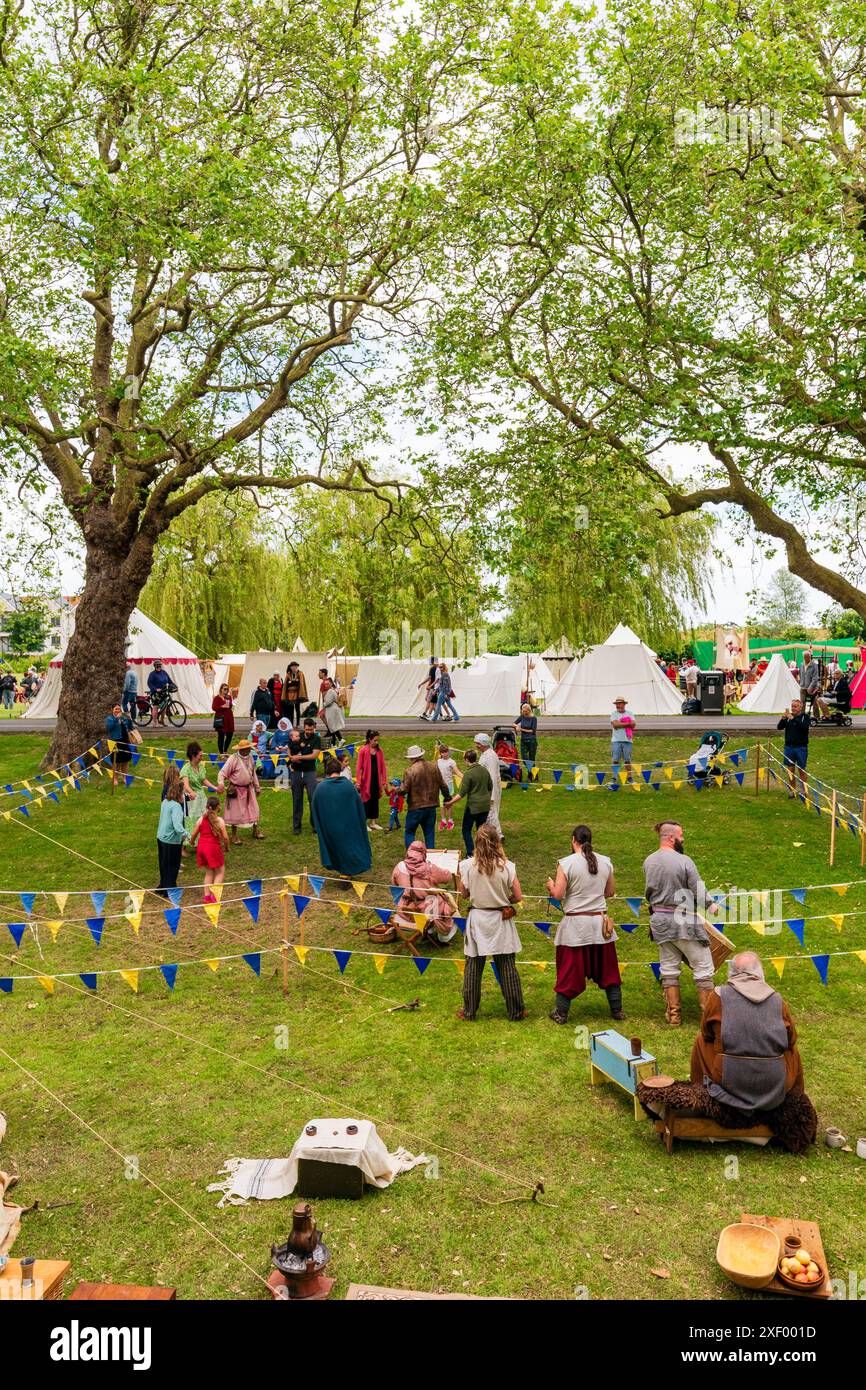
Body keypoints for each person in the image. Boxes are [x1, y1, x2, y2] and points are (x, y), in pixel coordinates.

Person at [690, 952, 806, 1113]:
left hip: (728, 1079)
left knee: (701, 1042)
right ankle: (796, 1103)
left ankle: (699, 1096)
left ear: (731, 973)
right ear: (759, 972)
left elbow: (706, 1033)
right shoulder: (777, 1000)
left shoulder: (717, 996)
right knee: (792, 1050)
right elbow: (791, 1040)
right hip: (773, 1082)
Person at [547, 824, 624, 1024]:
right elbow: (610, 892)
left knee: (569, 970)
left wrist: (550, 886)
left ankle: (561, 1013)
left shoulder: (566, 863)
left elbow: (558, 894)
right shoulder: (605, 862)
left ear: (573, 840)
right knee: (608, 968)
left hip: (576, 926)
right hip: (599, 923)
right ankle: (617, 1010)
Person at [643, 820, 715, 1027]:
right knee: (703, 968)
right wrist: (711, 905)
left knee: (669, 968)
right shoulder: (685, 861)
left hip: (660, 922)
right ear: (672, 837)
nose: (683, 840)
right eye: (681, 836)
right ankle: (709, 1020)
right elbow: (698, 889)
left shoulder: (649, 861)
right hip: (684, 921)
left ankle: (673, 1016)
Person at [457, 823, 526, 1022]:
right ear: (497, 842)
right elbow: (518, 895)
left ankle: (469, 1011)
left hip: (478, 918)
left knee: (473, 967)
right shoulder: (507, 867)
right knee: (506, 966)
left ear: (477, 842)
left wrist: (480, 895)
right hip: (499, 918)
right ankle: (516, 1011)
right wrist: (503, 899)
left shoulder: (468, 866)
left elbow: (463, 893)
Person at [311, 755, 372, 876]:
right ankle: (346, 873)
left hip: (330, 828)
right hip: (349, 826)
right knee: (348, 849)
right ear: (340, 770)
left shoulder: (320, 788)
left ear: (327, 771)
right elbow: (359, 806)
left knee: (337, 849)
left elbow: (315, 809)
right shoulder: (349, 786)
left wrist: (318, 825)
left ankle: (344, 873)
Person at [391, 841, 458, 947]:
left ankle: (430, 930)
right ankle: (438, 933)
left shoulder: (399, 867)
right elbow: (447, 878)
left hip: (406, 910)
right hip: (427, 910)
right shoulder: (429, 868)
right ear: (423, 853)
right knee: (444, 904)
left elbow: (394, 882)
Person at [398, 744, 451, 848]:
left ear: (412, 758)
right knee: (429, 834)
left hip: (415, 808)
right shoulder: (434, 767)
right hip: (431, 807)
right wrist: (447, 798)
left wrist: (397, 790)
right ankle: (431, 859)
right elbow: (443, 785)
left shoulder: (410, 771)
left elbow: (403, 790)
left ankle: (411, 858)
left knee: (410, 832)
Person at [445, 748, 492, 856]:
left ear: (467, 760)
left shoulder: (469, 773)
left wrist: (450, 802)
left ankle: (471, 853)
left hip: (473, 807)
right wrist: (487, 798)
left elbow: (461, 794)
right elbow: (490, 786)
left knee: (466, 830)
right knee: (481, 830)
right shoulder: (484, 770)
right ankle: (483, 852)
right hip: (485, 806)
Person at [218, 738, 264, 843]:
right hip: (236, 791)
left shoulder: (251, 758)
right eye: (246, 748)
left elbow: (253, 773)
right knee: (235, 813)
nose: (248, 750)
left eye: (249, 748)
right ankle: (234, 836)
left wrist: (257, 787)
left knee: (254, 809)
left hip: (249, 789)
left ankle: (255, 831)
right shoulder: (233, 759)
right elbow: (222, 773)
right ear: (241, 749)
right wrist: (221, 783)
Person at [190, 796, 230, 903]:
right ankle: (214, 896)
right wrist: (227, 847)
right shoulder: (219, 821)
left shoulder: (201, 819)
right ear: (218, 807)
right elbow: (225, 837)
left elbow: (194, 833)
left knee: (209, 872)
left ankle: (207, 896)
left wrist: (191, 842)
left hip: (201, 848)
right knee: (220, 871)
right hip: (212, 848)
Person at [179, 741, 218, 850]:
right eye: (200, 755)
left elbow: (203, 780)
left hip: (201, 798)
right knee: (190, 821)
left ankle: (200, 843)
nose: (202, 757)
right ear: (193, 756)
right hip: (190, 799)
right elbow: (185, 785)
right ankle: (183, 848)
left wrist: (215, 787)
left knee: (203, 820)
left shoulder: (200, 766)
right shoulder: (186, 769)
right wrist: (191, 793)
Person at [156, 781, 190, 895]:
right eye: (183, 793)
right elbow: (177, 826)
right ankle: (169, 889)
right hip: (171, 840)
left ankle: (162, 885)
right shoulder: (176, 806)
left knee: (163, 863)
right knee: (172, 865)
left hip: (161, 837)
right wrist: (187, 834)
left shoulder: (165, 802)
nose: (184, 796)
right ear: (179, 793)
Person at [288, 719, 320, 834]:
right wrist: (291, 756)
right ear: (304, 727)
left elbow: (314, 755)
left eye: (311, 729)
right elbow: (289, 747)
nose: (309, 731)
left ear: (314, 727)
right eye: (307, 729)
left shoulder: (316, 738)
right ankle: (296, 827)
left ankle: (315, 825)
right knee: (297, 799)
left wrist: (299, 758)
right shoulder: (299, 736)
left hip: (310, 772)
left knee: (313, 798)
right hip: (296, 772)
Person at [777, 698, 811, 797]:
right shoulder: (788, 717)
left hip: (801, 747)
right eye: (792, 706)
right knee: (790, 769)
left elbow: (804, 728)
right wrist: (783, 719)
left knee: (801, 769)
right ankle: (792, 790)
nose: (793, 708)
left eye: (795, 706)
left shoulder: (805, 717)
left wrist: (793, 718)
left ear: (800, 707)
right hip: (789, 747)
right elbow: (779, 727)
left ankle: (804, 791)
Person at [474, 732, 503, 838]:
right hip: (485, 788)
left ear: (484, 744)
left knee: (491, 811)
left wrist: (491, 795)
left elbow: (492, 776)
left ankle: (498, 834)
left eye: (478, 743)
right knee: (489, 812)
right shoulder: (484, 754)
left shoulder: (490, 756)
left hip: (491, 788)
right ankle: (492, 832)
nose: (476, 746)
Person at [356, 729, 387, 830]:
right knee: (366, 801)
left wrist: (384, 781)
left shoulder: (379, 751)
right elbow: (358, 767)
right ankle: (364, 823)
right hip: (366, 781)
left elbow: (383, 767)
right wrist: (358, 781)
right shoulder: (363, 750)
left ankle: (373, 822)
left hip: (376, 780)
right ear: (369, 740)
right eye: (375, 740)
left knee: (374, 800)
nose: (377, 742)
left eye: (378, 740)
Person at [105, 703, 135, 786]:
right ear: (112, 710)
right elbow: (109, 728)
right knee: (116, 761)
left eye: (119, 709)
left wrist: (129, 719)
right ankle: (115, 779)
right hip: (115, 741)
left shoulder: (123, 718)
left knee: (126, 760)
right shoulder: (110, 719)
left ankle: (124, 778)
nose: (118, 711)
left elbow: (130, 728)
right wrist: (116, 719)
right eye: (116, 709)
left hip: (125, 741)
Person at [610, 697, 635, 780]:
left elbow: (633, 725)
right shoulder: (613, 714)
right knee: (615, 759)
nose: (617, 705)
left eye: (619, 703)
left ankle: (629, 777)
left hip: (628, 740)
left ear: (624, 704)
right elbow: (615, 725)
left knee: (627, 760)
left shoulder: (630, 713)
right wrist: (628, 723)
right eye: (616, 704)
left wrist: (620, 723)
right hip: (616, 740)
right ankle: (614, 776)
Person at [799, 649, 828, 718]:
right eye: (805, 657)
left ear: (810, 657)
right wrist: (800, 683)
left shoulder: (814, 665)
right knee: (802, 703)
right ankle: (801, 717)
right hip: (803, 687)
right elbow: (800, 675)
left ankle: (816, 717)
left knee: (815, 703)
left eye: (807, 657)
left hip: (812, 688)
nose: (806, 658)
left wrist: (810, 687)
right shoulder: (801, 664)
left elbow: (815, 678)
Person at [319, 677, 345, 747]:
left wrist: (324, 704)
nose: (326, 685)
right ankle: (337, 741)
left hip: (332, 711)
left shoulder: (330, 691)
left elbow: (327, 702)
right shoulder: (334, 690)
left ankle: (338, 741)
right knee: (332, 728)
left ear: (331, 684)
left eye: (327, 684)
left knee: (332, 727)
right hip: (334, 710)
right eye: (325, 684)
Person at [436, 742, 457, 830]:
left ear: (448, 752)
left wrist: (464, 777)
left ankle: (450, 820)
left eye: (446, 752)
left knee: (449, 804)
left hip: (449, 787)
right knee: (441, 804)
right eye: (442, 752)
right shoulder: (438, 761)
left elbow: (457, 771)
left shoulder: (452, 762)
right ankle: (443, 820)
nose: (444, 754)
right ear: (440, 753)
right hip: (440, 786)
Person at [212, 682, 235, 756]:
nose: (226, 690)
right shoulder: (217, 698)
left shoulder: (229, 697)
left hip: (229, 718)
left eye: (227, 689)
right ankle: (221, 753)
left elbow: (230, 706)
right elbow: (214, 707)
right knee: (221, 736)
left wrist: (227, 705)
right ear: (221, 689)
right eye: (225, 689)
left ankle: (225, 751)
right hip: (221, 719)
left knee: (230, 735)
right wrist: (222, 706)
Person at [513, 703, 538, 772]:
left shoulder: (534, 718)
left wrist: (521, 729)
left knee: (531, 759)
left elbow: (532, 731)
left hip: (532, 741)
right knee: (524, 758)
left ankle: (532, 774)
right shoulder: (522, 716)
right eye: (523, 711)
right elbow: (514, 723)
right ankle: (532, 772)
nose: (524, 713)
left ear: (529, 710)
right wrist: (517, 726)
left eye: (526, 711)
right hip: (523, 740)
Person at [147, 660, 172, 724]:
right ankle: (155, 722)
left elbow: (169, 681)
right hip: (155, 693)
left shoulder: (164, 673)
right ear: (154, 666)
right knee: (156, 707)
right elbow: (149, 683)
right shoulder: (152, 674)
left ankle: (162, 720)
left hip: (163, 692)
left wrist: (173, 686)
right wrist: (155, 689)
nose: (158, 667)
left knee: (164, 707)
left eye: (159, 666)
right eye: (157, 666)